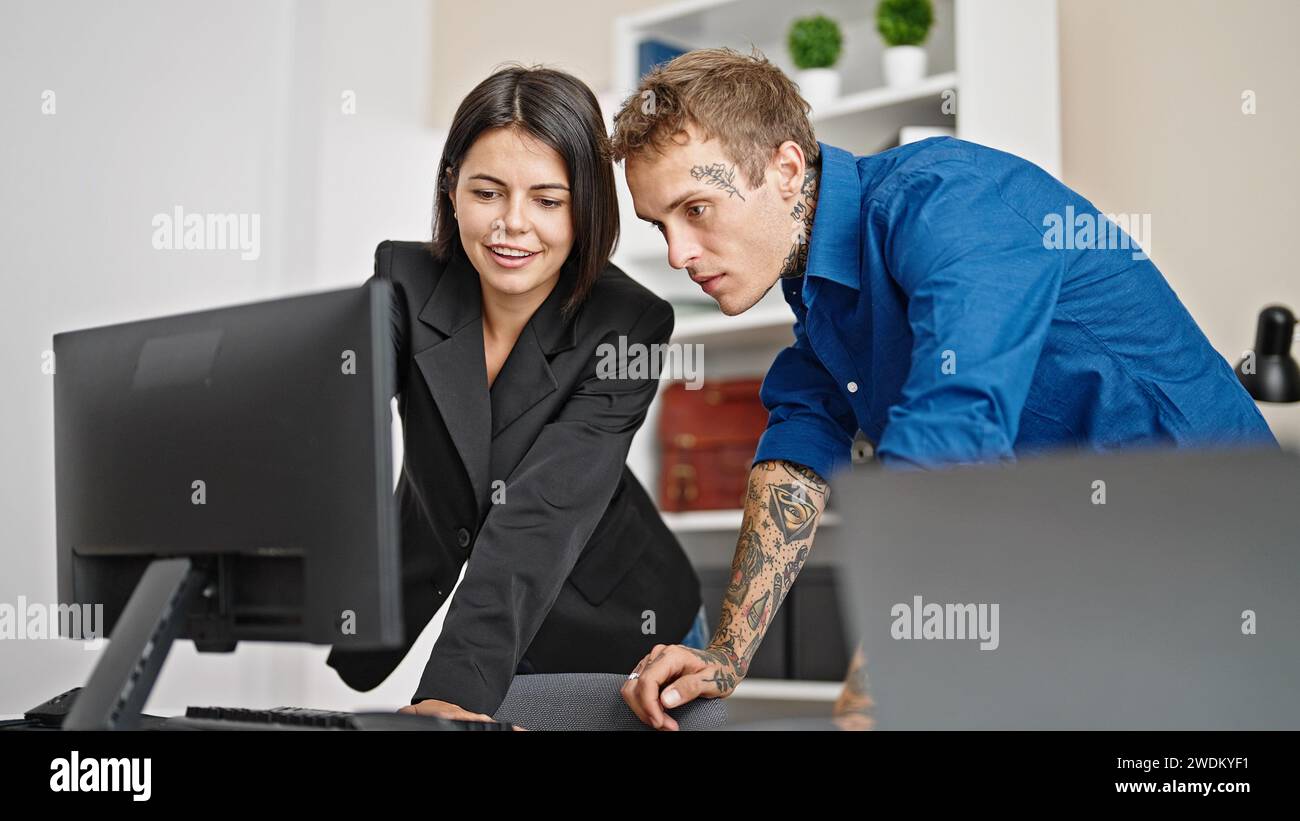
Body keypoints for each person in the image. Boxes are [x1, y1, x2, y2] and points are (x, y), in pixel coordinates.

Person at [609, 47, 1276, 730]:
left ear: (784, 169)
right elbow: (800, 443)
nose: (678, 254)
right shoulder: (817, 282)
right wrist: (726, 654)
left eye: (696, 209)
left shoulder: (948, 200)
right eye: (661, 224)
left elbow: (954, 429)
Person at [324, 65, 706, 723]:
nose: (511, 225)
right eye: (488, 192)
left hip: (621, 626)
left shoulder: (630, 323)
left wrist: (451, 692)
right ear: (452, 190)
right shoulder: (403, 283)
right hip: (484, 619)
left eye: (548, 200)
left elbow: (540, 514)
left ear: (585, 207)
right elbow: (321, 411)